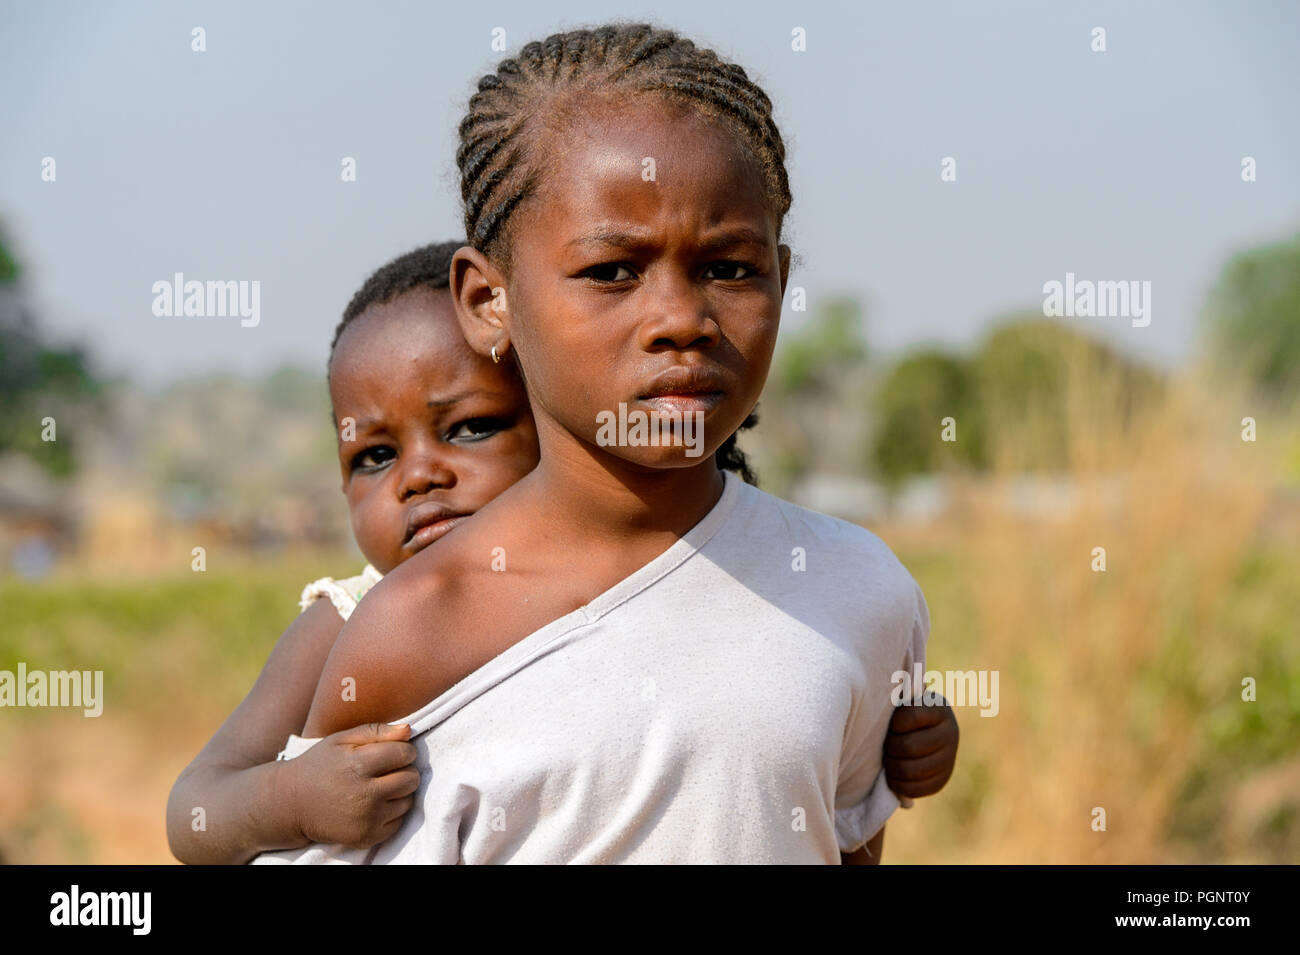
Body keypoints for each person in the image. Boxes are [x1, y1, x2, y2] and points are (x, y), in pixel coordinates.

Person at [258, 23, 954, 865]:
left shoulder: (857, 588)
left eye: (731, 267)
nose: (681, 320)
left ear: (782, 272)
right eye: (612, 272)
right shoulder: (409, 634)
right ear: (490, 302)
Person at [168, 240, 956, 864]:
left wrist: (899, 752)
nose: (418, 476)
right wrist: (293, 796)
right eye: (372, 456)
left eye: (472, 427)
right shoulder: (351, 617)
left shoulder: (701, 578)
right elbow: (196, 806)